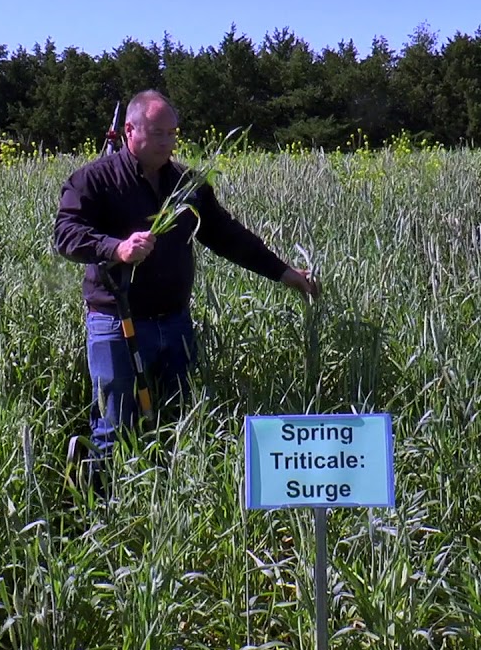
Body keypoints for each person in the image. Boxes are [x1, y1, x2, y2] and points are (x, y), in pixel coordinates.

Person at [54, 89, 319, 488]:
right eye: (157, 133)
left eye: (172, 133)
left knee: (177, 423)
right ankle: (101, 510)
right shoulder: (94, 180)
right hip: (116, 323)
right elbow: (66, 234)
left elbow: (227, 236)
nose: (167, 142)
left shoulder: (185, 185)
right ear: (130, 131)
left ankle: (163, 501)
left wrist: (285, 273)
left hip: (175, 324)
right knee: (114, 427)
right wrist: (116, 248)